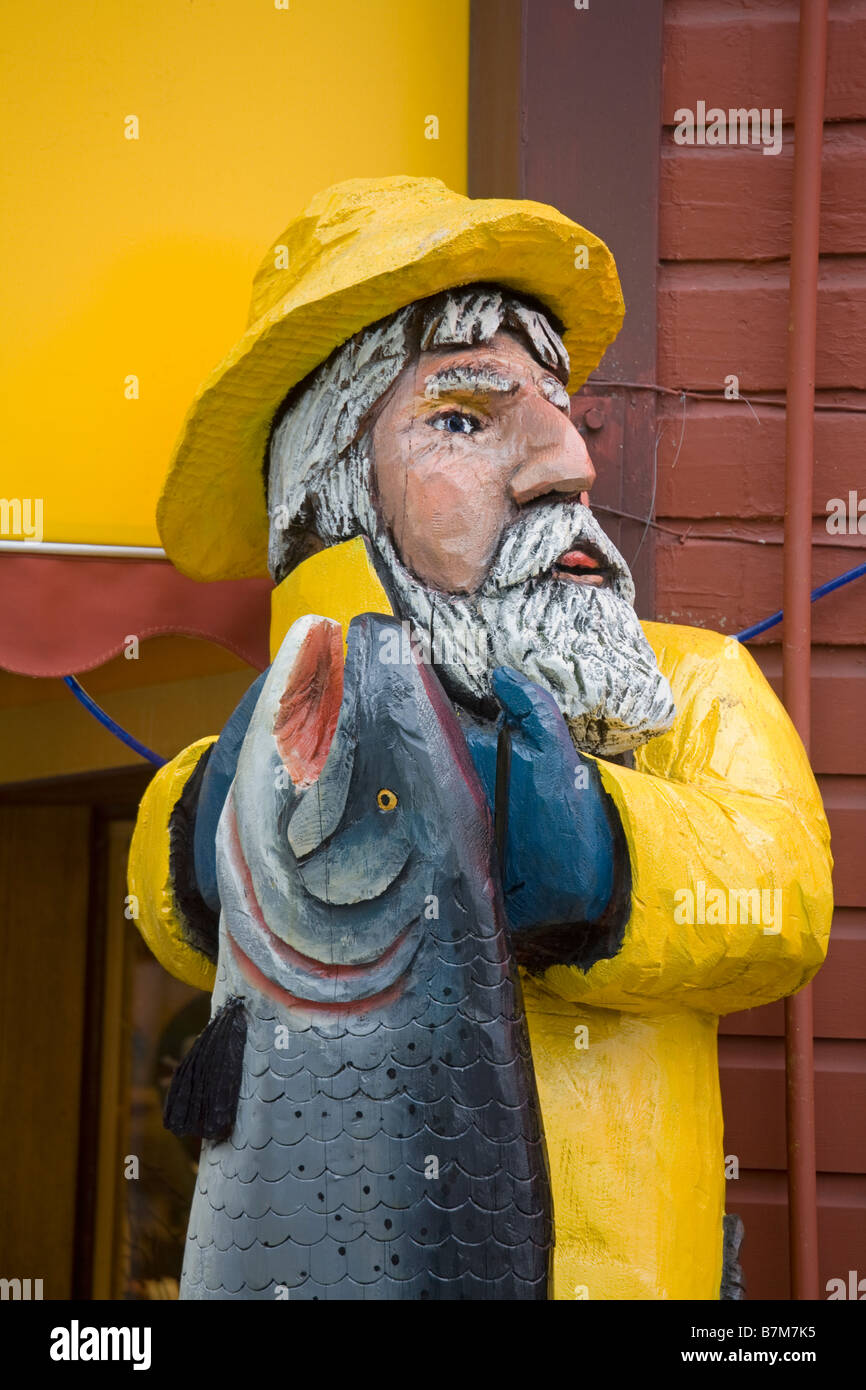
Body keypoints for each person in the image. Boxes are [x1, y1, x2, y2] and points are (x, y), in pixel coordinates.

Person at [129, 176, 833, 1299]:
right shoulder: (277, 732)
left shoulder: (686, 686)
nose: (568, 463)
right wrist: (202, 844)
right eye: (462, 416)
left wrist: (610, 858)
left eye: (562, 409)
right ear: (333, 488)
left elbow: (781, 898)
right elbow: (165, 894)